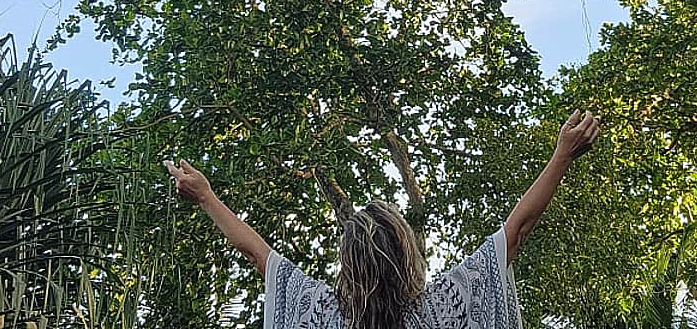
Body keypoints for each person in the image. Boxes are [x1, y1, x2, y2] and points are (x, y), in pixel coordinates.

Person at [164, 109, 600, 329]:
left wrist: (206, 197)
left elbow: (257, 255)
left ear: (348, 262)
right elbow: (517, 230)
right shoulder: (441, 308)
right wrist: (561, 155)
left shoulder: (321, 312)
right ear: (407, 250)